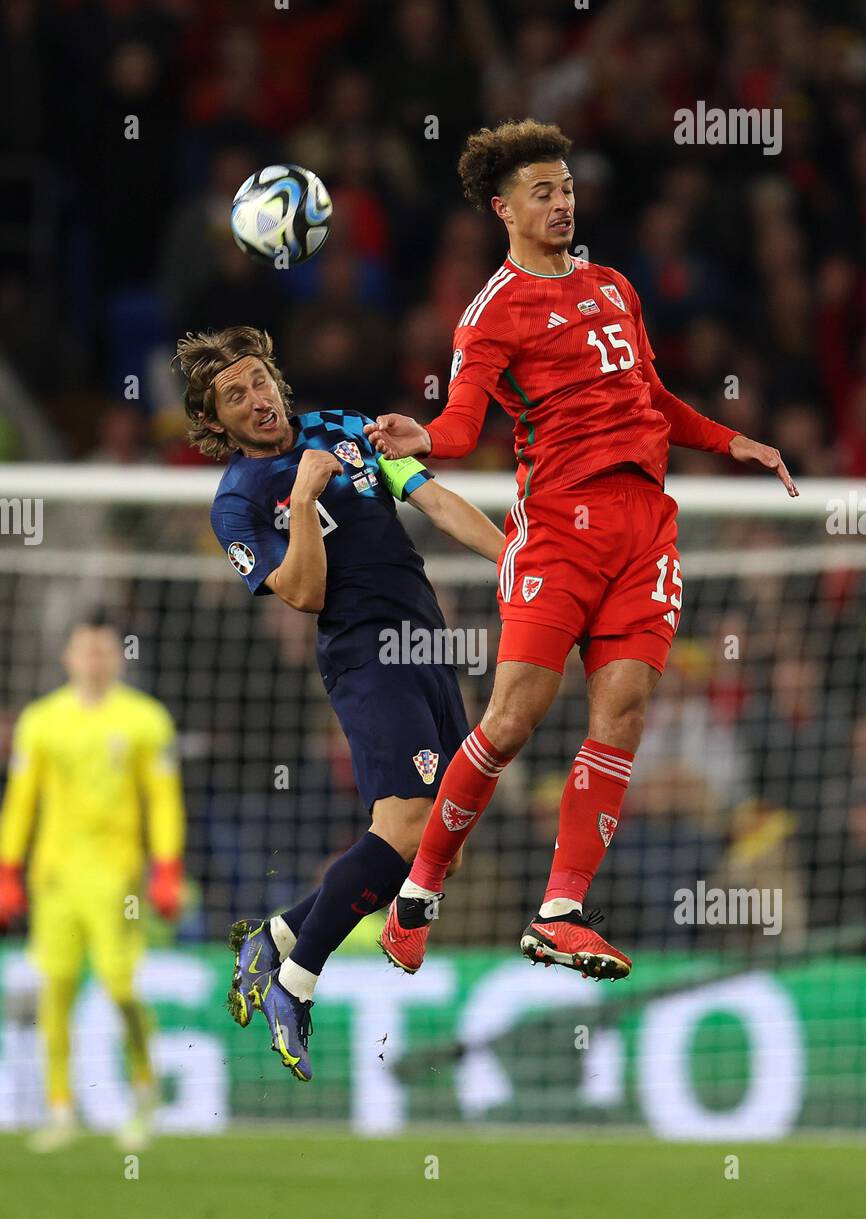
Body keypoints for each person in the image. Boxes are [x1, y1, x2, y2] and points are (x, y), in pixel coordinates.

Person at [365, 118, 797, 979]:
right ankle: (419, 892)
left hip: (647, 527)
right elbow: (459, 423)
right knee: (515, 716)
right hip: (560, 527)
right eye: (543, 194)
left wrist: (729, 441)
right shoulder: (490, 312)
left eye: (566, 190)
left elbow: (654, 397)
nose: (562, 204)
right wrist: (422, 438)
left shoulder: (614, 286)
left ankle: (561, 912)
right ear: (505, 208)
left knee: (624, 714)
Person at [176, 325, 503, 1081]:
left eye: (258, 381)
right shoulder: (237, 503)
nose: (254, 399)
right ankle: (297, 977)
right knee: (407, 822)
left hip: (427, 643)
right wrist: (300, 497)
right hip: (364, 654)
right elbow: (305, 592)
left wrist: (518, 557)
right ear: (216, 423)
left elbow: (431, 496)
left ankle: (279, 937)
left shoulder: (342, 430)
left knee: (437, 830)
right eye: (234, 396)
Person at [0, 616, 185, 1151]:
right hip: (55, 876)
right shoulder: (40, 721)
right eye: (85, 651)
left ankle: (145, 1093)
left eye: (104, 651)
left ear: (118, 657)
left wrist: (166, 868)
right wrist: (9, 869)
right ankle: (60, 1110)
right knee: (53, 990)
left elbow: (163, 800)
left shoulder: (145, 720)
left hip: (117, 879)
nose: (95, 661)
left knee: (120, 987)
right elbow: (21, 799)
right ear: (68, 658)